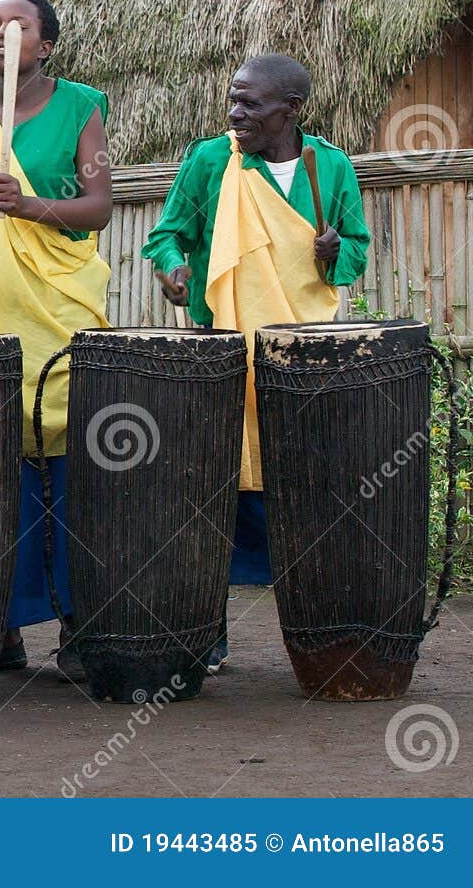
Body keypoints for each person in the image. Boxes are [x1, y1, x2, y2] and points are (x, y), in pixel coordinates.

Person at [143, 52, 369, 669]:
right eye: (233, 99)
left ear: (291, 110)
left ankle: (320, 629)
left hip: (304, 358)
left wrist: (335, 250)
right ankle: (206, 631)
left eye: (250, 103)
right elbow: (167, 235)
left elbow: (358, 252)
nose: (235, 113)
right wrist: (173, 270)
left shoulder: (331, 167)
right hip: (221, 351)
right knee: (210, 487)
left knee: (305, 489)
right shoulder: (212, 161)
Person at [0, 0, 113, 681]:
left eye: (19, 24)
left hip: (60, 306)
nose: (2, 33)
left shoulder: (79, 106)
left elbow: (98, 207)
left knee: (70, 458)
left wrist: (32, 205)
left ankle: (76, 616)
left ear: (46, 44)